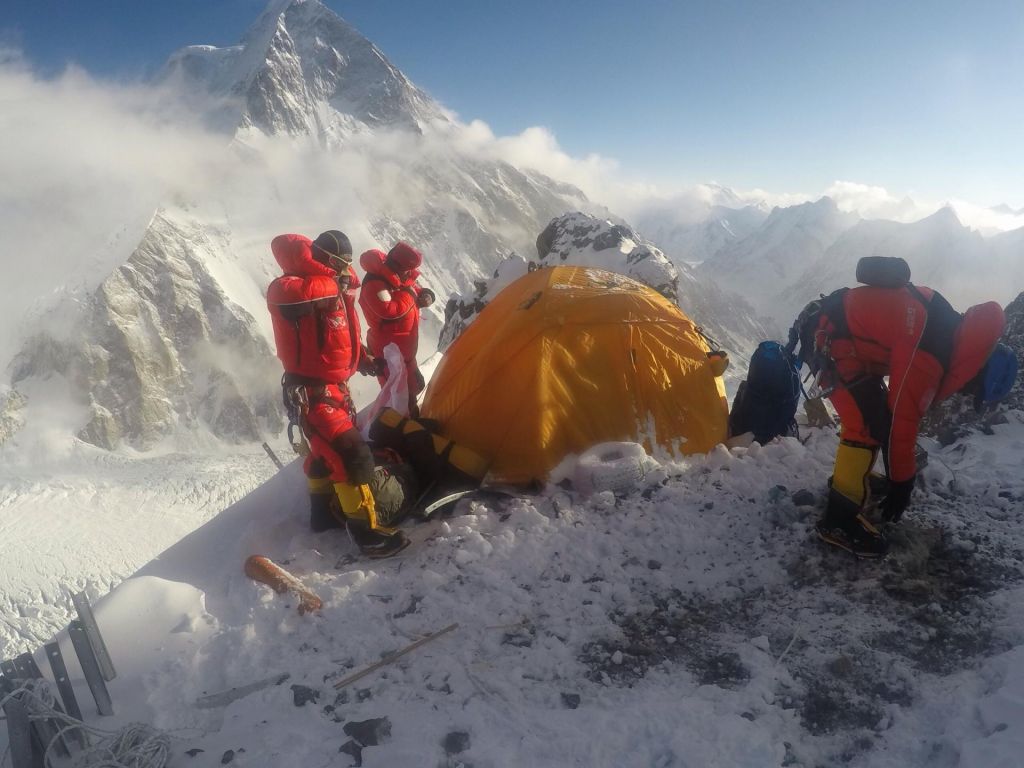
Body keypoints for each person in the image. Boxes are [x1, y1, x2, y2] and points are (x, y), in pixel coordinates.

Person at [789, 275, 1018, 558]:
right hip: (830, 340)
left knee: (876, 418)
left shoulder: (950, 329)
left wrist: (900, 475)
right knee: (865, 427)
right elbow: (902, 422)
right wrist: (902, 484)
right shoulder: (931, 355)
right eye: (974, 390)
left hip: (839, 333)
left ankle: (849, 481)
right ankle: (838, 520)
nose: (967, 394)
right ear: (978, 373)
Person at [266, 230, 409, 558]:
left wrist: (362, 358)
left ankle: (322, 517)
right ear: (325, 259)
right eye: (341, 262)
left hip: (330, 387)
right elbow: (286, 296)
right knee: (350, 453)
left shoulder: (327, 288)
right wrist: (335, 281)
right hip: (312, 391)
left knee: (323, 454)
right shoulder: (290, 286)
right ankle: (366, 533)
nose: (346, 268)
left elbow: (336, 334)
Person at [358, 242, 435, 417]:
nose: (410, 273)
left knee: (414, 388)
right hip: (388, 354)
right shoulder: (375, 283)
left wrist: (426, 294)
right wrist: (412, 295)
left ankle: (413, 423)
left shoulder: (396, 277)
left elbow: (412, 288)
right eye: (408, 269)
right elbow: (389, 312)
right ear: (398, 265)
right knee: (398, 398)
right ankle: (400, 434)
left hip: (405, 353)